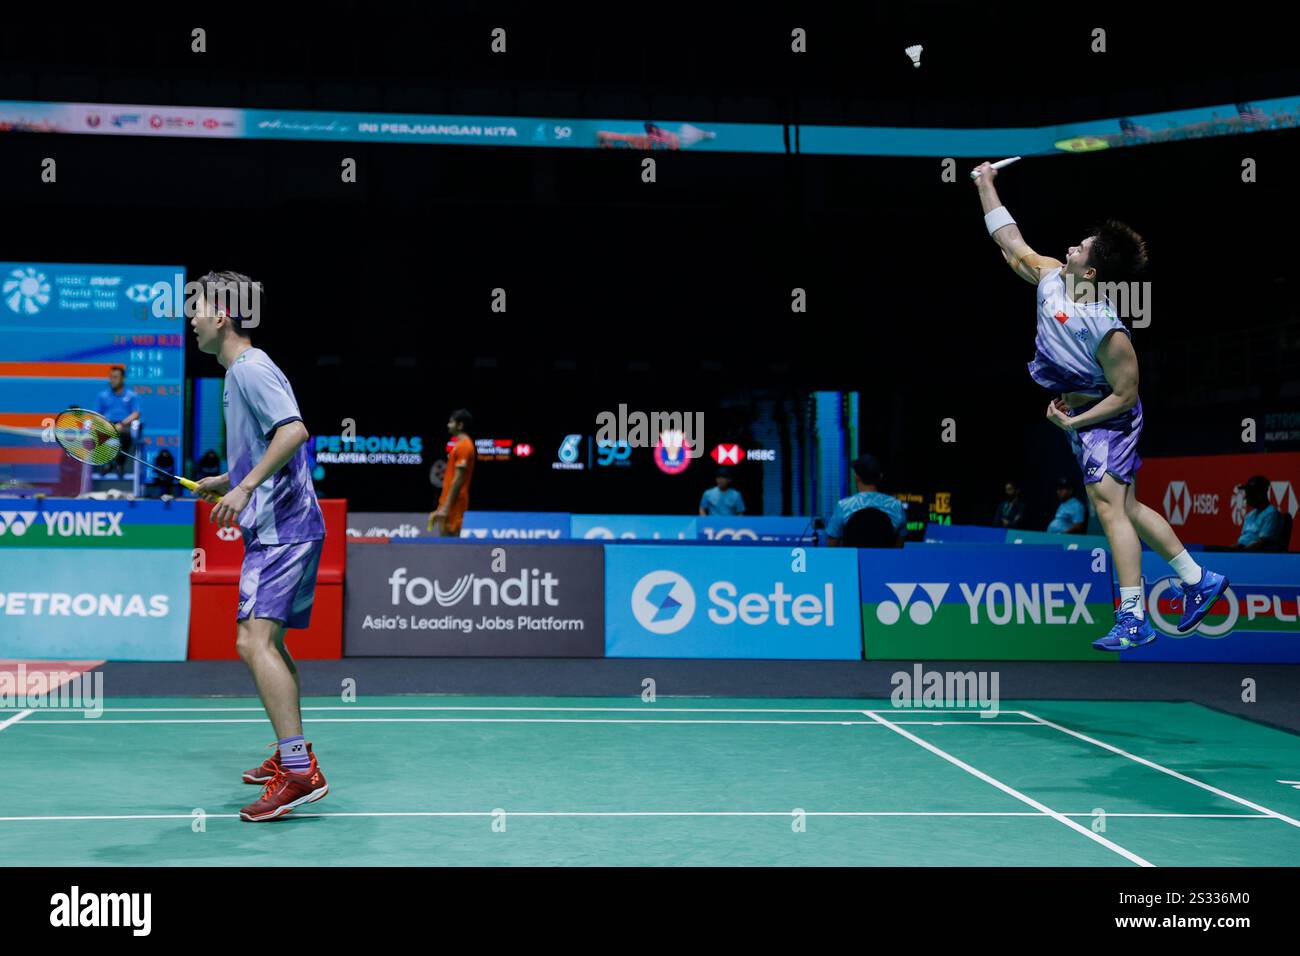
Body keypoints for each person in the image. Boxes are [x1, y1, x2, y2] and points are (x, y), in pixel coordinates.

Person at [974, 160, 1228, 650]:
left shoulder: (1107, 328)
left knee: (1109, 509)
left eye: (1080, 247)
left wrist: (1075, 424)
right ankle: (1198, 579)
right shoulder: (1051, 280)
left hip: (1108, 419)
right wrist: (986, 184)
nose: (1069, 245)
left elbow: (1126, 395)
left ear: (1089, 271)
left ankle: (1134, 617)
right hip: (1082, 417)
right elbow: (1011, 243)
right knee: (1127, 508)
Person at [189, 271, 329, 822]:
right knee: (270, 642)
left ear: (221, 315)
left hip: (280, 530)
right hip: (287, 526)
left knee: (253, 642)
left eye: (195, 311)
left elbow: (294, 431)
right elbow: (269, 444)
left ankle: (299, 773)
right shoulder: (239, 374)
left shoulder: (249, 368)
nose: (191, 321)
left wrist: (246, 488)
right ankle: (291, 755)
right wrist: (230, 478)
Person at [825, 453, 907, 547]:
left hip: (853, 561)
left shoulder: (843, 506)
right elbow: (899, 547)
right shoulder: (896, 506)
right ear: (880, 476)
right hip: (885, 561)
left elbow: (832, 545)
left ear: (856, 476)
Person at [429, 408, 476, 537]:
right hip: (449, 501)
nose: (448, 425)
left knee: (451, 546)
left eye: (451, 422)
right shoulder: (458, 445)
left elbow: (459, 479)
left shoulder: (465, 446)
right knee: (444, 544)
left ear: (460, 425)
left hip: (455, 503)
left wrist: (446, 507)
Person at [95, 365, 140, 476]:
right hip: (107, 425)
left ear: (122, 378)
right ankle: (107, 463)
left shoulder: (132, 396)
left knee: (126, 435)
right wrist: (107, 424)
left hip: (123, 425)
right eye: (111, 377)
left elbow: (136, 414)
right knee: (99, 433)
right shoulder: (102, 395)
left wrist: (122, 424)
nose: (112, 380)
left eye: (115, 377)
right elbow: (96, 415)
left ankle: (119, 464)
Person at [1236, 475, 1287, 551]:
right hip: (1241, 553)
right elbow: (1242, 540)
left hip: (1255, 556)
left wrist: (1241, 552)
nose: (1246, 497)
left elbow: (1261, 544)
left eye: (1249, 493)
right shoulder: (1249, 516)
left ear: (1260, 495)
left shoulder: (1271, 514)